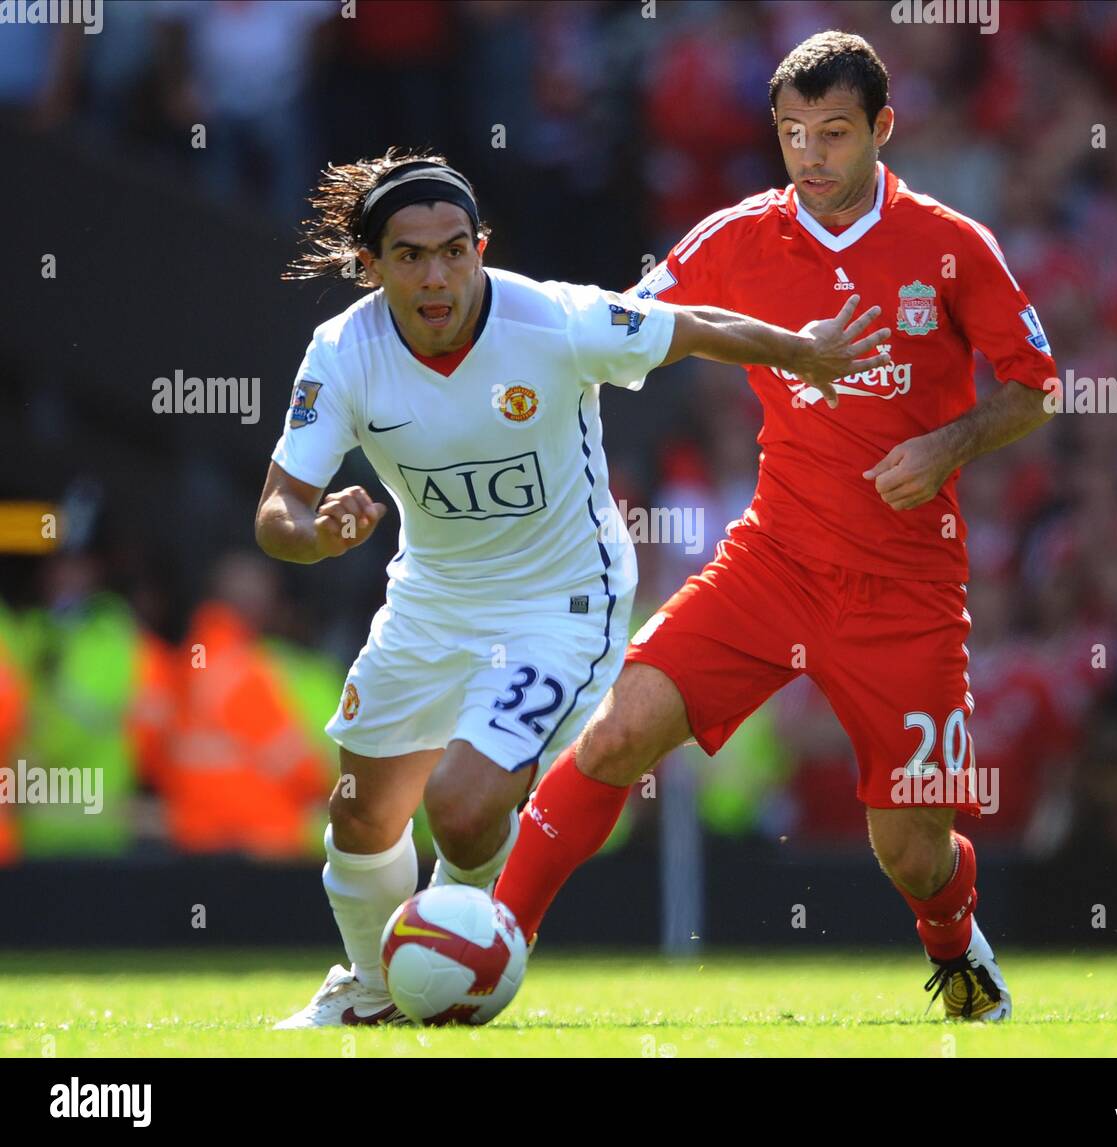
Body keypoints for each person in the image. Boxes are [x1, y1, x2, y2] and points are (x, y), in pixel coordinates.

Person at [495, 31, 1061, 1022]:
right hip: (773, 561)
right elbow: (628, 328)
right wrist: (527, 356)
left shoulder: (950, 245)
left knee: (909, 849)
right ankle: (489, 948)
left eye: (834, 133)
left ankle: (953, 941)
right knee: (618, 732)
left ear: (881, 129)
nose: (810, 155)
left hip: (905, 591)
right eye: (792, 133)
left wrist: (945, 446)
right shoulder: (734, 240)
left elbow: (1035, 388)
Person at [255, 150, 891, 1027]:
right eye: (409, 255)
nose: (437, 275)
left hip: (562, 604)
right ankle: (374, 986)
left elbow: (692, 324)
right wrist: (316, 533)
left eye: (454, 250)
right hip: (429, 601)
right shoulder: (343, 353)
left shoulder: (553, 319)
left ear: (482, 246)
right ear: (372, 266)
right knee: (361, 818)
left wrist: (803, 351)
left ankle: (459, 957)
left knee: (465, 806)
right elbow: (275, 510)